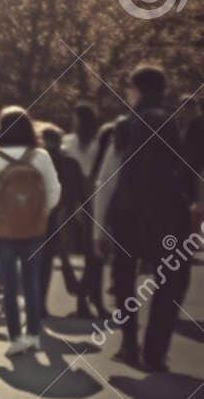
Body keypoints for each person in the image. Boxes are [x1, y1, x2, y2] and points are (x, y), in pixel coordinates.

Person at [93, 64, 197, 372]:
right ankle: (155, 352)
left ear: (136, 90)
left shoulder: (124, 126)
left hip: (127, 215)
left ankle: (128, 344)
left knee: (124, 279)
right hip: (169, 216)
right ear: (163, 91)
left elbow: (107, 180)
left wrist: (99, 228)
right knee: (170, 283)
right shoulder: (176, 124)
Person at [0, 105, 60, 357]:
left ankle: (15, 338)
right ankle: (33, 335)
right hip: (34, 228)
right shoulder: (40, 156)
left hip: (2, 229)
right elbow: (54, 190)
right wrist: (41, 213)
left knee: (9, 284)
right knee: (32, 281)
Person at [39, 125, 89, 316]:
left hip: (42, 217)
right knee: (55, 262)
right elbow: (81, 193)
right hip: (66, 216)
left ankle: (39, 304)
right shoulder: (70, 163)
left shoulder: (38, 161)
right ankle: (81, 302)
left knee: (41, 262)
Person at [67, 103, 108, 322]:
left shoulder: (69, 143)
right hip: (94, 202)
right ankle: (91, 300)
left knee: (92, 256)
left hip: (79, 203)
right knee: (95, 257)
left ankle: (87, 300)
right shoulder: (99, 144)